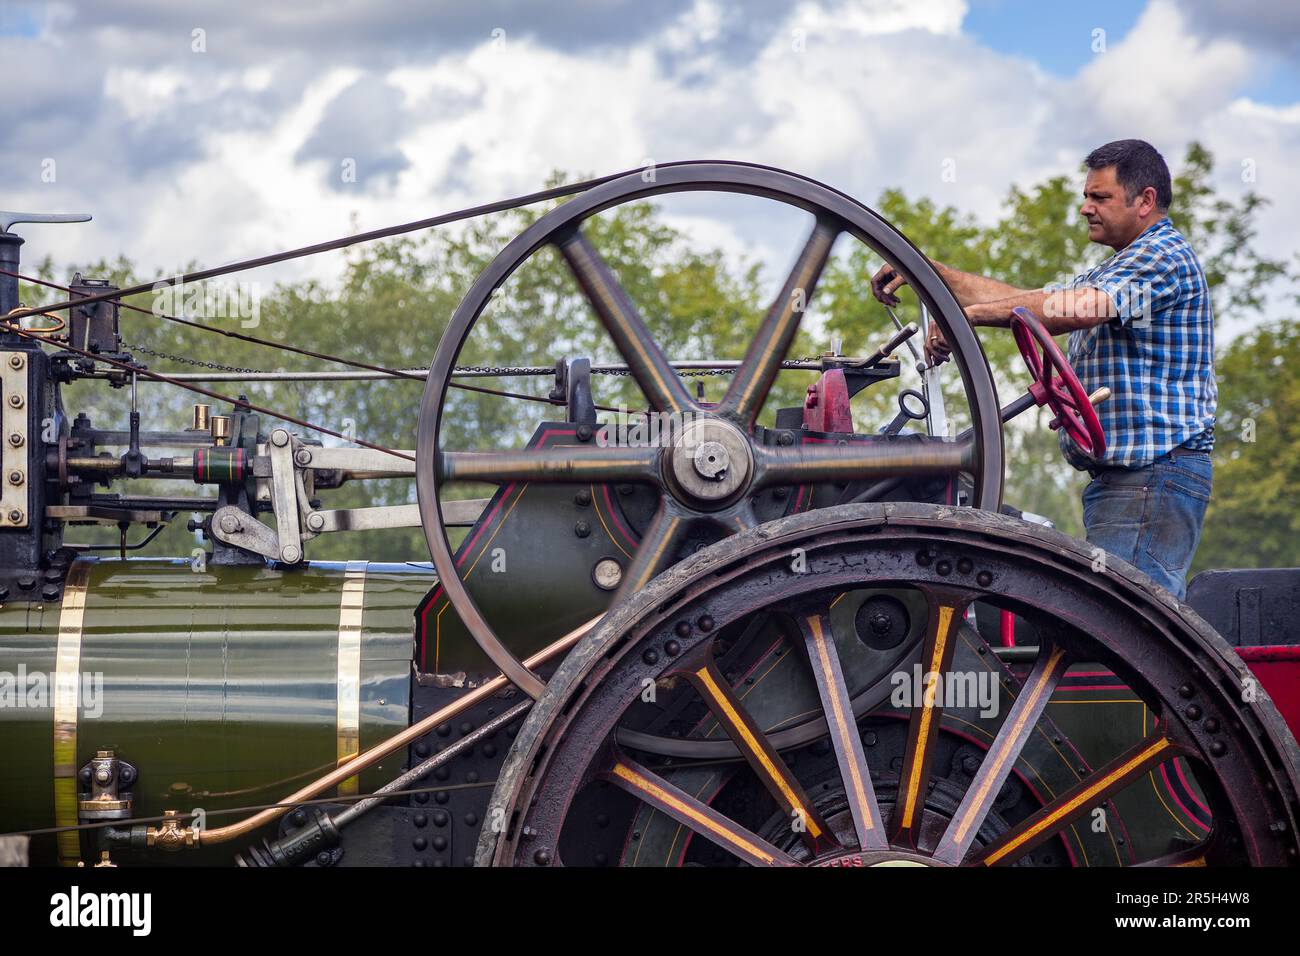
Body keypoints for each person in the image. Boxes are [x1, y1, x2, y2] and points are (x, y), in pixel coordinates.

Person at [869, 139, 1215, 599]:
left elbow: (1077, 308)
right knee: (1115, 618)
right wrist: (930, 273)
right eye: (1086, 195)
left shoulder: (1163, 257)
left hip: (1152, 479)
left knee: (1127, 624)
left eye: (1100, 197)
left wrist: (966, 319)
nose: (1085, 208)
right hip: (1133, 481)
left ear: (1145, 200)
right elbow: (1029, 300)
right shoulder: (1120, 267)